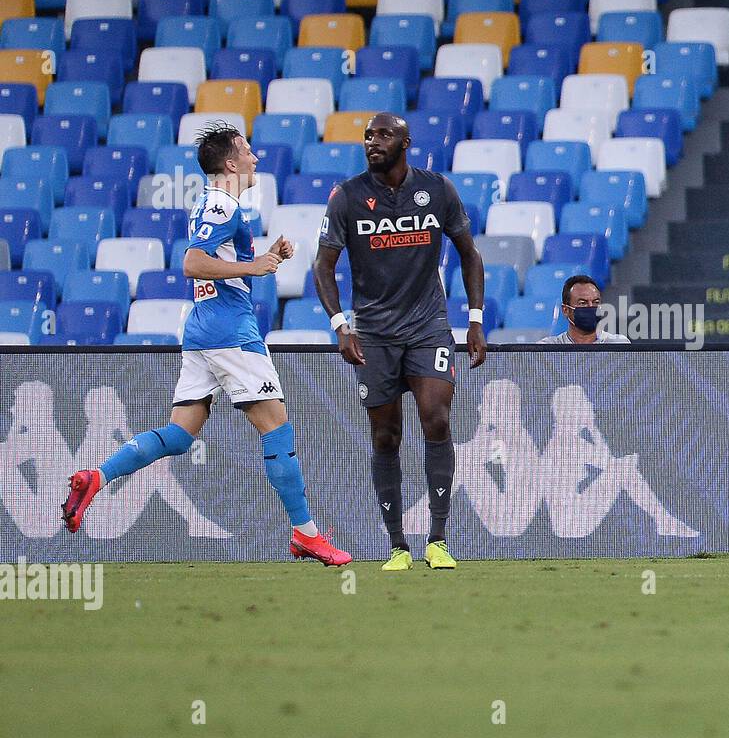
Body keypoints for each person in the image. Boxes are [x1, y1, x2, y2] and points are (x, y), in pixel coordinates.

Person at [60, 123, 351, 566]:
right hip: (230, 331)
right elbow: (193, 262)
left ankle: (97, 477)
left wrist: (264, 257)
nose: (255, 157)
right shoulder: (222, 204)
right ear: (231, 163)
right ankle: (305, 534)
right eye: (248, 151)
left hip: (202, 328)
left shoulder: (212, 203)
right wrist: (254, 267)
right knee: (277, 429)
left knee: (179, 436)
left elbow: (217, 259)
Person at [314, 112, 486, 572]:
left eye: (384, 135)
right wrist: (340, 325)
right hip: (373, 333)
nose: (373, 142)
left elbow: (470, 254)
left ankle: (438, 539)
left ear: (405, 143)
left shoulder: (438, 190)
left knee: (437, 419)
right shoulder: (347, 196)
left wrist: (475, 320)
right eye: (368, 136)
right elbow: (322, 266)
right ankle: (397, 546)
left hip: (429, 326)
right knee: (386, 435)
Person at [536, 275, 630, 344]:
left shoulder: (618, 345)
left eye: (596, 302)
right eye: (583, 303)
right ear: (565, 310)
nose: (591, 306)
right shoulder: (548, 349)